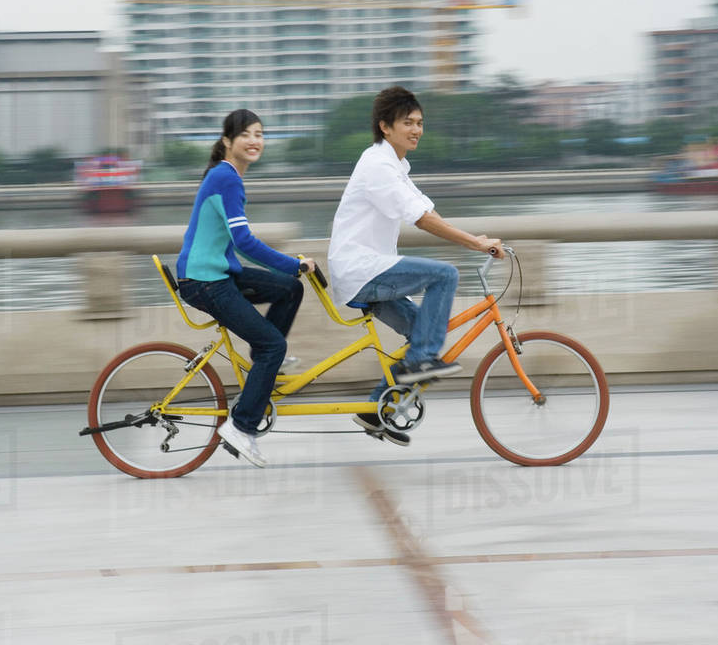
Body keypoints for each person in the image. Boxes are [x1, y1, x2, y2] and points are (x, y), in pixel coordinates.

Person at [328, 85, 504, 447]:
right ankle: (421, 360)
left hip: (370, 271)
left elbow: (425, 208)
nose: (416, 130)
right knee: (445, 275)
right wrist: (475, 244)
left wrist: (475, 238)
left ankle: (374, 409)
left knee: (422, 336)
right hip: (363, 270)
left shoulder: (395, 165)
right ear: (385, 126)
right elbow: (420, 220)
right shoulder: (377, 165)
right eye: (407, 122)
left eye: (420, 123)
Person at [177, 109, 315, 468]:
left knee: (289, 289)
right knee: (274, 344)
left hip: (218, 273)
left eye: (260, 134)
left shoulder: (226, 175)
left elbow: (235, 245)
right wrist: (293, 262)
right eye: (246, 135)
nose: (255, 141)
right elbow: (243, 241)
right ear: (227, 141)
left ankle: (263, 362)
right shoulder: (227, 178)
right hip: (204, 282)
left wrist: (290, 272)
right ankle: (241, 428)